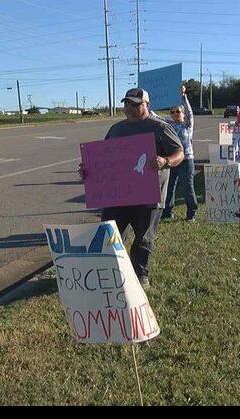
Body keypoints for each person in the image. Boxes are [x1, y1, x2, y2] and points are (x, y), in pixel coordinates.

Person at [79, 88, 184, 289]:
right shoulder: (116, 129)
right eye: (127, 103)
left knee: (143, 238)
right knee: (111, 235)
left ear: (146, 105)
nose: (129, 107)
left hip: (148, 196)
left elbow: (179, 153)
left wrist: (165, 161)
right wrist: (88, 170)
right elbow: (103, 158)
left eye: (135, 103)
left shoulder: (159, 127)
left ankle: (140, 275)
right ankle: (113, 272)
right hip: (118, 195)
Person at [163, 85, 198, 222]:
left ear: (182, 114)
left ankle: (191, 213)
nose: (175, 114)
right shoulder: (168, 124)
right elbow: (154, 117)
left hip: (187, 160)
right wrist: (147, 106)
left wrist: (184, 96)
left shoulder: (187, 125)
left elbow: (190, 112)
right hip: (173, 160)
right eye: (172, 112)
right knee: (170, 186)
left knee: (188, 186)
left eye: (177, 111)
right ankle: (167, 211)